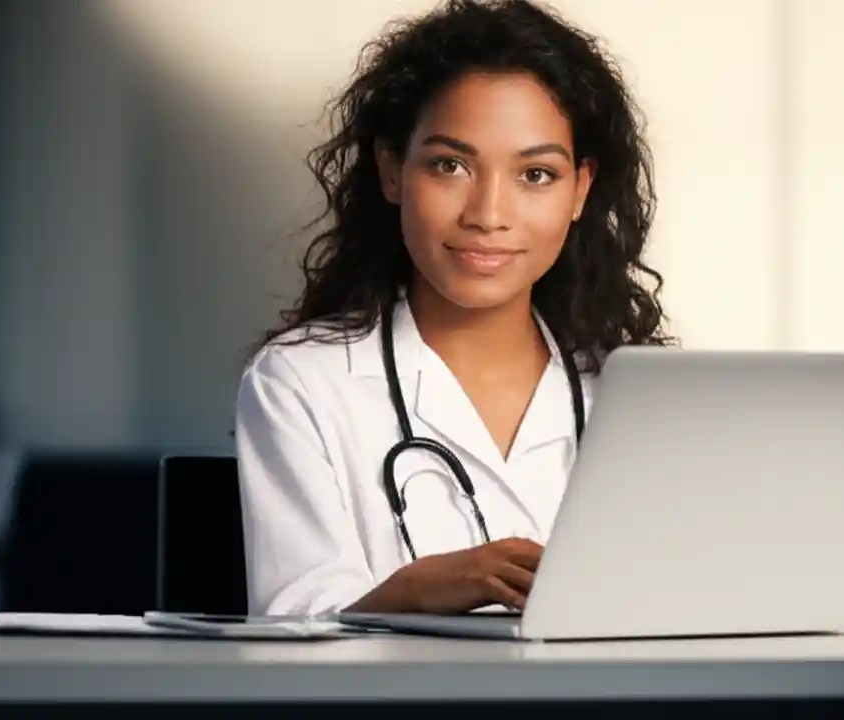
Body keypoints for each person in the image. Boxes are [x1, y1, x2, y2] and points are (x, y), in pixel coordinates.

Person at [235, 0, 672, 617]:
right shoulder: (304, 381)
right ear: (391, 170)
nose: (488, 214)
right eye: (450, 165)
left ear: (581, 188)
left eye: (537, 174)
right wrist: (416, 592)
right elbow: (291, 625)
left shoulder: (633, 392)